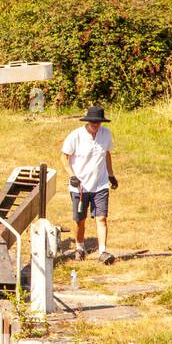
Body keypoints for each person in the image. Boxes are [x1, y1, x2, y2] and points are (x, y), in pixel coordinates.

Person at [60, 105, 118, 264]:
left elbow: (106, 154)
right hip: (80, 186)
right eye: (93, 122)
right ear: (87, 121)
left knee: (102, 218)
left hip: (100, 185)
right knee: (80, 219)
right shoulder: (75, 136)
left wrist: (111, 175)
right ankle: (79, 247)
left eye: (98, 122)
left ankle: (103, 252)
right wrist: (72, 176)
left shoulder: (106, 134)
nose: (96, 125)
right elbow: (64, 157)